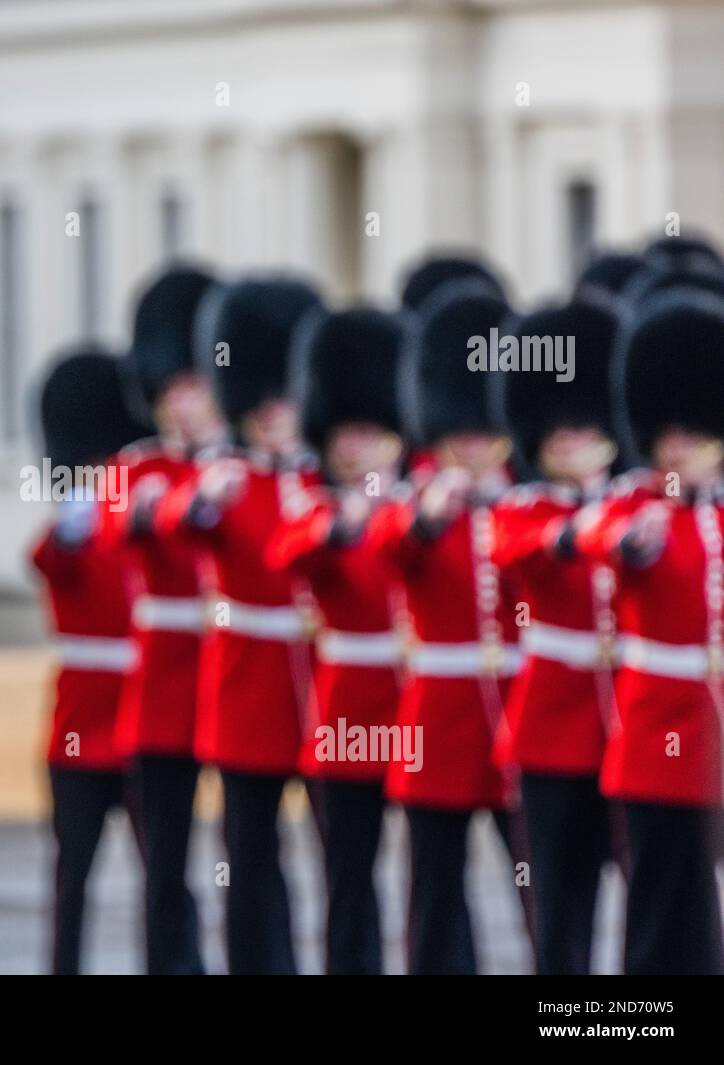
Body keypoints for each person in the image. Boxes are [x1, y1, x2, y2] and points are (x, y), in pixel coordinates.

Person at [155, 277, 322, 974]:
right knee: (250, 858)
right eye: (265, 402)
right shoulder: (224, 477)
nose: (276, 414)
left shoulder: (328, 479)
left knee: (342, 858)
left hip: (322, 687)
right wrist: (200, 505)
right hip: (249, 688)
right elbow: (171, 521)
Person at [368, 278, 530, 975]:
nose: (475, 444)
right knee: (435, 890)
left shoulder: (526, 498)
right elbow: (387, 548)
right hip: (438, 714)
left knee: (541, 883)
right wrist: (432, 513)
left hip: (521, 710)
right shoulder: (418, 500)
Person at [575, 287, 724, 975]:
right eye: (668, 437)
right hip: (655, 731)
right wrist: (635, 542)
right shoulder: (634, 504)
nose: (678, 450)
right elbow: (601, 536)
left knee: (706, 907)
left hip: (714, 730)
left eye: (693, 435)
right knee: (658, 903)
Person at [268, 306, 407, 975]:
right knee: (349, 875)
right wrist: (345, 525)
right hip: (349, 709)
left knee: (433, 875)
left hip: (420, 706)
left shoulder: (424, 505)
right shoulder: (320, 511)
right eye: (346, 432)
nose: (356, 447)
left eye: (371, 432)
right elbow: (290, 549)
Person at [489, 295, 622, 974]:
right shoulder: (521, 509)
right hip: (551, 729)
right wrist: (583, 532)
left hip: (631, 727)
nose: (569, 435)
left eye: (584, 423)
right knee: (558, 902)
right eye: (557, 427)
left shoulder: (643, 503)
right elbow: (531, 551)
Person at [112, 267, 225, 974]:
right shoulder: (141, 469)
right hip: (164, 683)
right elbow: (126, 526)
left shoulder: (239, 467)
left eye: (195, 387)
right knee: (165, 858)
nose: (184, 403)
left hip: (235, 675)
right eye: (172, 390)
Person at [29, 349, 149, 975]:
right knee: (72, 878)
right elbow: (47, 561)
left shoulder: (143, 505)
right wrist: (76, 516)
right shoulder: (72, 520)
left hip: (141, 718)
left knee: (161, 875)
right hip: (79, 726)